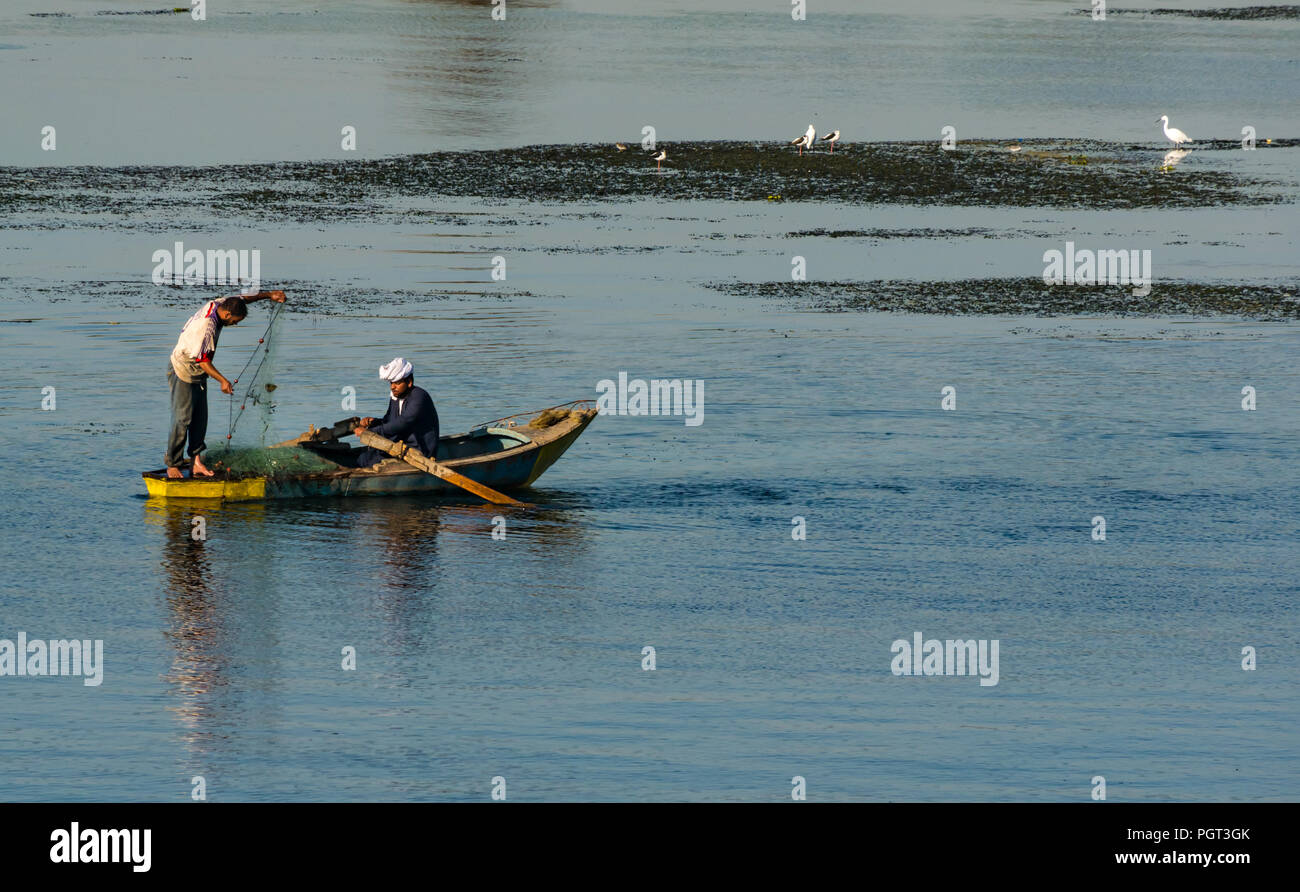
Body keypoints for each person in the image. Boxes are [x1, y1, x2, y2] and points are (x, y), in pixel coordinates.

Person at [165, 290, 287, 478]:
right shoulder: (207, 329)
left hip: (198, 373)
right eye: (235, 321)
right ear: (227, 315)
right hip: (183, 370)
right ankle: (173, 464)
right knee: (183, 419)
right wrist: (223, 381)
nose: (234, 324)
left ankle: (196, 462)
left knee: (200, 418)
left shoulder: (220, 304)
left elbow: (243, 298)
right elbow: (203, 362)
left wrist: (269, 295)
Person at [351, 358, 440, 468]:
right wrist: (373, 422)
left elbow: (402, 423)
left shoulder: (419, 397)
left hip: (419, 453)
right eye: (391, 383)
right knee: (364, 458)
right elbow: (390, 421)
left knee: (370, 462)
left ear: (409, 382)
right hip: (401, 447)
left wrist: (368, 432)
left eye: (397, 383)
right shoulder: (396, 396)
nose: (393, 387)